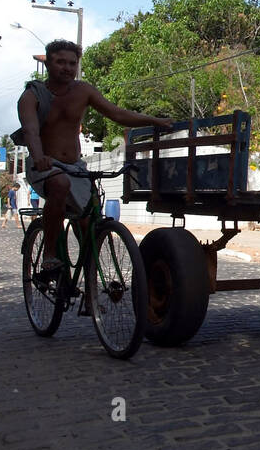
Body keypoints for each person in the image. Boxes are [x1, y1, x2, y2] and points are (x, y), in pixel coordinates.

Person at [18, 39, 171, 280]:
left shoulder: (83, 91)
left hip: (76, 167)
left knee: (90, 226)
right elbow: (30, 131)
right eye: (60, 62)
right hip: (45, 165)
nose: (67, 68)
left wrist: (153, 120)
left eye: (72, 63)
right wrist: (39, 157)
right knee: (59, 184)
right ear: (48, 63)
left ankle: (90, 290)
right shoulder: (31, 95)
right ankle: (49, 255)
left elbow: (117, 113)